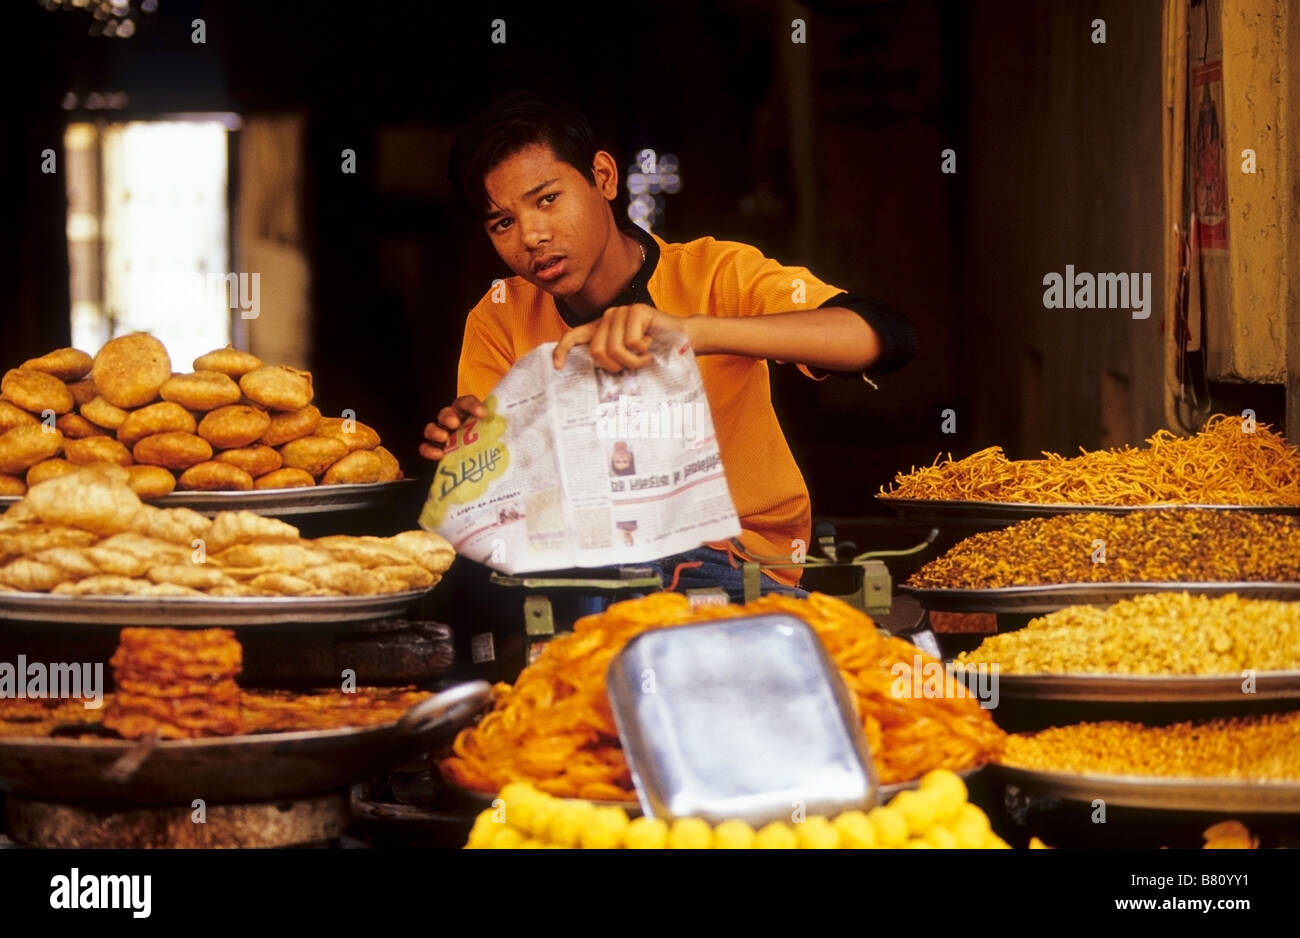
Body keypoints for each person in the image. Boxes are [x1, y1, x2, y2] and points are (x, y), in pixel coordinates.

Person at [421, 92, 916, 604]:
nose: (531, 236)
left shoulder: (715, 274)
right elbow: (507, 512)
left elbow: (882, 337)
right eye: (502, 222)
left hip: (731, 560)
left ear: (604, 178)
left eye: (547, 199)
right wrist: (474, 451)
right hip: (580, 568)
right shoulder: (499, 315)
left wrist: (692, 333)